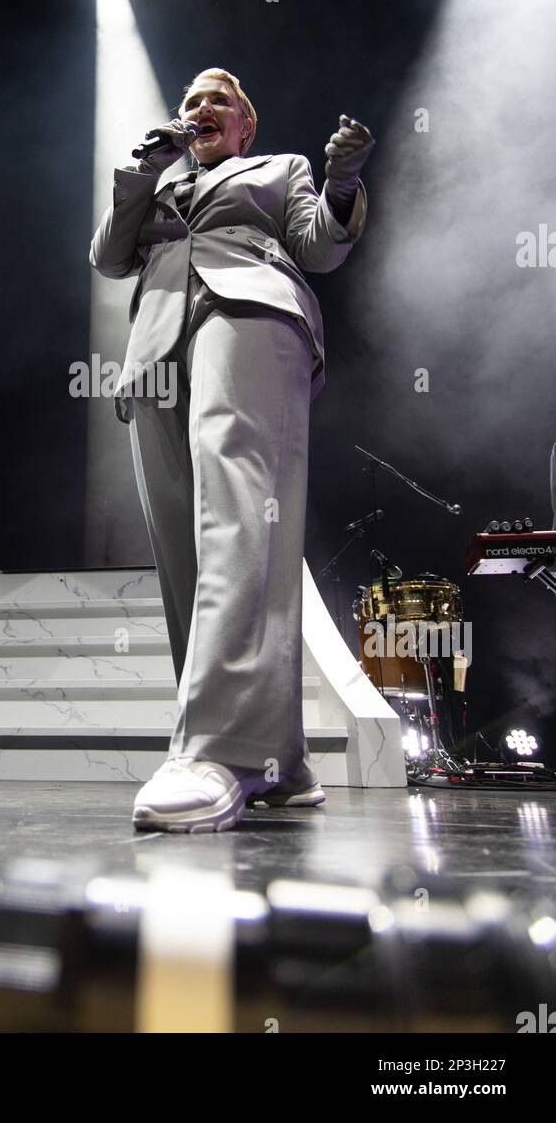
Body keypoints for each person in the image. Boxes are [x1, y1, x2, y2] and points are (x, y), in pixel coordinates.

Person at [89, 68, 374, 832]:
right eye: (191, 102)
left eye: (218, 100)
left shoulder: (279, 169)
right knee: (185, 551)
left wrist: (343, 181)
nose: (201, 109)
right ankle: (274, 759)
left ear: (245, 125)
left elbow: (320, 249)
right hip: (156, 342)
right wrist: (142, 172)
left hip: (247, 308)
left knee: (241, 519)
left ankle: (221, 748)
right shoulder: (158, 183)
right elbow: (110, 258)